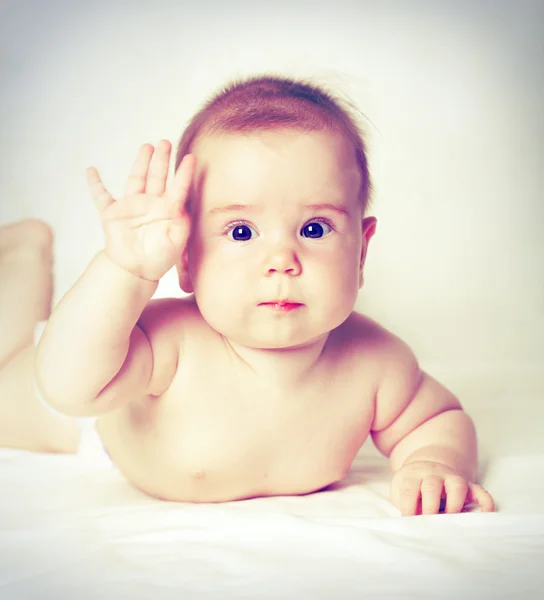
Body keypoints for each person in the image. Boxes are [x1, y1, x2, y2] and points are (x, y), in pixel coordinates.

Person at [2, 75, 494, 515]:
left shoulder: (377, 364)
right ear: (187, 259)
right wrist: (124, 269)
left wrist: (432, 462)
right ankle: (25, 255)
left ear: (361, 252)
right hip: (93, 387)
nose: (282, 260)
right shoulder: (166, 341)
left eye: (315, 227)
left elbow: (437, 417)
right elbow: (67, 388)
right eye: (240, 232)